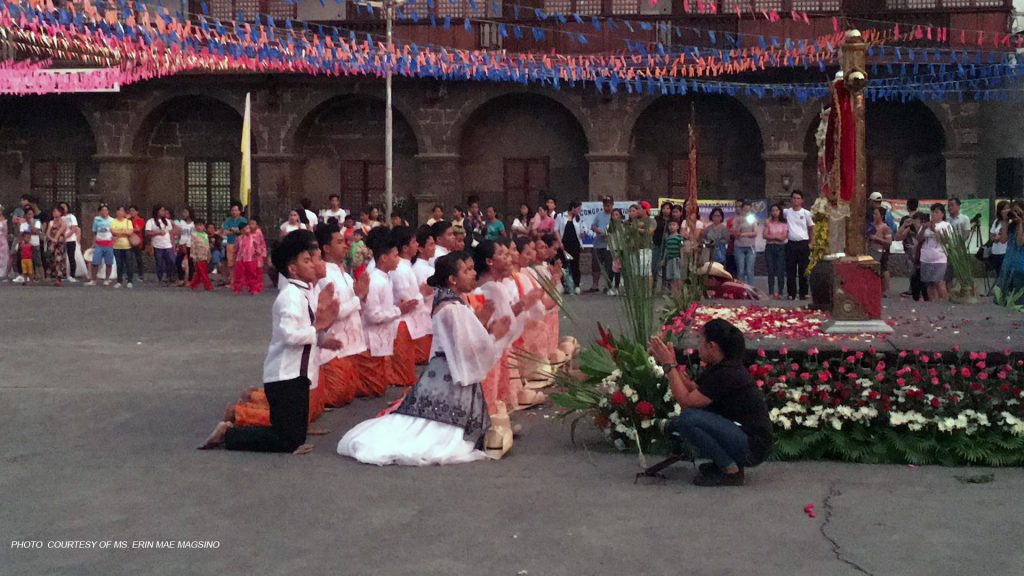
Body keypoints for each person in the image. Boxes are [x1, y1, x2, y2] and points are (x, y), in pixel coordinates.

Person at [339, 252, 523, 466]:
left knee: (432, 425)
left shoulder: (451, 302)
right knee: (439, 436)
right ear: (452, 279)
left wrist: (484, 325)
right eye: (467, 270)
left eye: (472, 268)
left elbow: (466, 340)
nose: (473, 273)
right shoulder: (451, 308)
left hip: (444, 369)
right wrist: (495, 336)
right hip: (448, 374)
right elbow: (467, 349)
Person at [199, 230, 340, 453]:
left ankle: (243, 430)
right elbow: (290, 335)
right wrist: (319, 328)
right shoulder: (290, 296)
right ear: (293, 269)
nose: (313, 264)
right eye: (306, 261)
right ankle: (230, 434)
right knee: (288, 440)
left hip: (299, 373)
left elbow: (310, 329)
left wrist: (324, 338)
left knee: (296, 434)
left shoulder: (306, 293)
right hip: (285, 375)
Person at [648, 319, 772, 487]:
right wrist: (673, 364)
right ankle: (726, 463)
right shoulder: (722, 367)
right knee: (688, 418)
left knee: (688, 420)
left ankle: (731, 471)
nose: (697, 345)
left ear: (711, 346)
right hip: (742, 437)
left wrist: (668, 365)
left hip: (752, 448)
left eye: (700, 340)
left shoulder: (727, 373)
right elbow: (693, 390)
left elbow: (686, 402)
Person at [316, 222, 377, 407]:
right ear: (326, 248)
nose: (346, 245)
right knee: (338, 396)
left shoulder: (346, 276)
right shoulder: (325, 276)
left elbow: (358, 306)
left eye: (345, 241)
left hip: (353, 344)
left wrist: (363, 297)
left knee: (369, 388)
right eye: (340, 242)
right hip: (334, 346)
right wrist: (358, 297)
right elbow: (335, 312)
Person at [362, 227, 419, 394]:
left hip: (384, 334)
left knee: (381, 385)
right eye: (395, 256)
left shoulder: (385, 277)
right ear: (383, 258)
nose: (398, 260)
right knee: (375, 388)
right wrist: (398, 310)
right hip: (372, 338)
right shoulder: (375, 281)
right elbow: (372, 315)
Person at [389, 226, 429, 387]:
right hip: (401, 322)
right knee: (404, 377)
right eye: (413, 242)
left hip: (409, 322)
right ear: (405, 248)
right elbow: (408, 302)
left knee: (408, 375)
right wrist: (422, 294)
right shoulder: (400, 269)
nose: (417, 244)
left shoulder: (406, 267)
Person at [411, 225, 437, 364]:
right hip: (425, 321)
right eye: (431, 244)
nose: (434, 248)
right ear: (420, 248)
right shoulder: (427, 271)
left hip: (420, 322)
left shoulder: (416, 268)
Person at [783, 190, 814, 300]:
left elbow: (811, 228)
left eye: (798, 198)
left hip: (803, 243)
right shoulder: (786, 212)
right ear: (791, 200)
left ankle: (803, 292)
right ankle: (791, 293)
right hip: (791, 244)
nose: (796, 200)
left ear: (802, 200)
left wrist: (811, 243)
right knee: (790, 269)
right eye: (794, 198)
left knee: (803, 269)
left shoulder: (806, 213)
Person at [918, 202, 951, 301]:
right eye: (932, 212)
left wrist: (934, 230)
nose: (933, 214)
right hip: (926, 257)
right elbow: (919, 239)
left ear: (942, 214)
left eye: (936, 212)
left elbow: (946, 241)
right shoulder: (926, 225)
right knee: (929, 283)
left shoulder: (946, 225)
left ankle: (944, 301)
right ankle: (932, 302)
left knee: (939, 281)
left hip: (939, 258)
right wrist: (923, 228)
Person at [897, 199, 928, 301]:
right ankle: (915, 290)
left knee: (919, 272)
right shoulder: (908, 224)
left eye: (918, 221)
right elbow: (898, 237)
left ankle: (921, 291)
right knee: (913, 272)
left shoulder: (924, 227)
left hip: (921, 253)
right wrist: (905, 225)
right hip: (911, 252)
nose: (916, 222)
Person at [232, 220, 267, 295]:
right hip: (240, 259)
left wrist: (259, 254)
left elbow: (257, 247)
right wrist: (234, 258)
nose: (247, 230)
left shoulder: (253, 237)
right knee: (238, 274)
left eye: (248, 228)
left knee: (252, 274)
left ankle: (253, 288)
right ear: (241, 231)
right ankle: (237, 289)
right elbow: (235, 249)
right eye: (245, 229)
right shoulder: (239, 238)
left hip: (251, 258)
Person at [589, 196, 614, 294]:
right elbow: (592, 226)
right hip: (598, 244)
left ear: (612, 205)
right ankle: (595, 285)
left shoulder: (614, 216)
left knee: (609, 266)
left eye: (609, 205)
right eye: (605, 205)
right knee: (596, 266)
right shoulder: (599, 215)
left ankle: (608, 285)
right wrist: (596, 229)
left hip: (609, 245)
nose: (607, 207)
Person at [762, 203, 788, 298]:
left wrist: (773, 237)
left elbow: (783, 238)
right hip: (770, 248)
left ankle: (780, 291)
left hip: (780, 248)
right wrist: (776, 237)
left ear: (780, 211)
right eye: (773, 210)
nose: (775, 212)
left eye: (776, 210)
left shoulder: (784, 224)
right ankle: (771, 291)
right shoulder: (768, 223)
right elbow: (765, 235)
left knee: (780, 270)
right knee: (770, 270)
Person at [866, 206, 893, 296]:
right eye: (874, 214)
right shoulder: (870, 226)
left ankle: (885, 290)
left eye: (876, 214)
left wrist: (876, 239)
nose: (874, 216)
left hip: (880, 251)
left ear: (881, 216)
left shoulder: (885, 227)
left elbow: (889, 241)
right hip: (870, 250)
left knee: (882, 270)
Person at [86, 203, 115, 286]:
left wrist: (113, 242)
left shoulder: (112, 220)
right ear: (100, 211)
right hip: (99, 244)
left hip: (109, 244)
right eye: (102, 210)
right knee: (95, 262)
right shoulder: (96, 220)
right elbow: (95, 232)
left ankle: (107, 279)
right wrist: (93, 243)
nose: (104, 212)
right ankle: (93, 279)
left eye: (106, 210)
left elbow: (114, 233)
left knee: (109, 263)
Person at [147, 206, 175, 285]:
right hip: (157, 245)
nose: (163, 212)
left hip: (168, 245)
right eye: (161, 210)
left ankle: (169, 276)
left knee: (171, 260)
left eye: (164, 210)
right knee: (159, 263)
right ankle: (161, 278)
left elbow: (171, 233)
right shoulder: (151, 221)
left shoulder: (167, 221)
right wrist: (157, 232)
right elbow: (147, 233)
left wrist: (173, 244)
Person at [559, 201, 583, 295]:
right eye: (578, 208)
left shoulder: (578, 218)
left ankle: (576, 285)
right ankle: (564, 285)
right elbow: (556, 230)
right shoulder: (561, 216)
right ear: (573, 208)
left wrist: (582, 233)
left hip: (575, 244)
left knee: (575, 264)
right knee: (563, 265)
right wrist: (560, 242)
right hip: (564, 244)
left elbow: (582, 229)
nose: (579, 210)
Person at [732, 201, 758, 286]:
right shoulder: (736, 219)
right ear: (742, 209)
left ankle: (750, 288)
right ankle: (741, 288)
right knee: (740, 270)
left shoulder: (752, 219)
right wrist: (741, 223)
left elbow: (755, 233)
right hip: (739, 247)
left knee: (749, 270)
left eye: (748, 210)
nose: (746, 212)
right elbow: (735, 234)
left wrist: (742, 234)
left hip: (750, 247)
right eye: (745, 210)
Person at [222, 202, 248, 286]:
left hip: (241, 245)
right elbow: (225, 231)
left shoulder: (243, 220)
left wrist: (232, 230)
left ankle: (241, 281)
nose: (234, 212)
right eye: (232, 210)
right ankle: (232, 281)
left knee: (240, 263)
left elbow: (244, 231)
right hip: (230, 243)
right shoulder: (228, 220)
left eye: (236, 210)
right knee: (231, 263)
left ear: (240, 211)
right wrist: (236, 231)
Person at [111, 206, 135, 288]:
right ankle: (119, 281)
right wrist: (124, 231)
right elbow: (113, 231)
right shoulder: (114, 221)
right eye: (118, 211)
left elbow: (130, 232)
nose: (120, 213)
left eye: (121, 211)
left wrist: (119, 232)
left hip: (127, 246)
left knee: (129, 264)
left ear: (124, 213)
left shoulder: (128, 221)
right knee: (119, 265)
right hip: (117, 246)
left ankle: (130, 281)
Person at [652, 202, 674, 290]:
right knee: (655, 265)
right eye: (664, 208)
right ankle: (653, 285)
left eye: (668, 208)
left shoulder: (672, 221)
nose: (665, 210)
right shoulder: (657, 219)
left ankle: (665, 286)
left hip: (668, 246)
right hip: (657, 244)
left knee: (666, 266)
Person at [44, 206, 67, 287]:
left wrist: (54, 242)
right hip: (51, 241)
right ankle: (51, 274)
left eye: (56, 211)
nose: (54, 213)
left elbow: (59, 233)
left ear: (60, 213)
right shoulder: (51, 222)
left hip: (59, 244)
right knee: (52, 259)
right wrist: (51, 240)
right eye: (53, 211)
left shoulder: (63, 223)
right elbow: (47, 233)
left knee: (58, 259)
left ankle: (58, 277)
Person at [989, 200, 1011, 285]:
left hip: (1005, 252)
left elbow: (1006, 238)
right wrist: (994, 238)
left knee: (1005, 276)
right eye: (1004, 209)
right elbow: (991, 235)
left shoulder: (1010, 221)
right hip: (996, 252)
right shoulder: (996, 221)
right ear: (1000, 211)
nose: (1006, 211)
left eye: (1008, 208)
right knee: (998, 274)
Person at [58, 202, 80, 282]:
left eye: (64, 207)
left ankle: (72, 275)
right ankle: (62, 274)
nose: (63, 209)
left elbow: (74, 229)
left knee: (71, 257)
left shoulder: (72, 217)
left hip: (71, 239)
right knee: (62, 258)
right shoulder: (60, 218)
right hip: (61, 240)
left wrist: (65, 237)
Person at [190, 221, 214, 291]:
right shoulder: (194, 235)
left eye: (200, 225)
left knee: (200, 272)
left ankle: (193, 284)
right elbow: (193, 246)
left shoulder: (205, 235)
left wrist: (209, 255)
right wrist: (193, 256)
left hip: (205, 255)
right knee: (203, 272)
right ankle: (208, 286)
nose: (199, 227)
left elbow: (207, 246)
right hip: (198, 256)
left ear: (204, 226)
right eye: (197, 225)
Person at [174, 207, 196, 287]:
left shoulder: (194, 223)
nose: (184, 214)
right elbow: (178, 233)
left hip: (191, 244)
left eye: (185, 212)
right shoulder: (181, 222)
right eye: (183, 212)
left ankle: (190, 280)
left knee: (191, 263)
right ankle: (181, 279)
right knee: (178, 261)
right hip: (182, 244)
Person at [18, 208, 42, 281]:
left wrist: (31, 224)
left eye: (31, 214)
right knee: (27, 260)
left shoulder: (37, 222)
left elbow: (36, 232)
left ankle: (39, 275)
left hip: (35, 243)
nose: (30, 216)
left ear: (33, 214)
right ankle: (28, 276)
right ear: (26, 215)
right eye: (28, 214)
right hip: (26, 246)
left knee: (37, 260)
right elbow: (21, 234)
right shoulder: (23, 224)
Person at [663, 220, 683, 293]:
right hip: (669, 259)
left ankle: (679, 292)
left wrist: (682, 259)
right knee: (670, 276)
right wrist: (663, 259)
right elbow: (666, 249)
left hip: (676, 258)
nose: (671, 227)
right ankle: (673, 291)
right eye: (670, 225)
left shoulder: (679, 237)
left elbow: (681, 248)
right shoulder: (668, 238)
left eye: (674, 225)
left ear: (678, 227)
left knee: (677, 276)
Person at [128, 206, 146, 282]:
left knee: (139, 259)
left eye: (133, 211)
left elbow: (138, 229)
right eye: (130, 211)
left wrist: (129, 230)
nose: (131, 212)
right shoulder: (128, 220)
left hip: (137, 242)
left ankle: (141, 275)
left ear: (137, 212)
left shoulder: (140, 220)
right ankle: (129, 275)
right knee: (129, 259)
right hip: (129, 242)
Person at [0, 210, 8, 280]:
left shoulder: (4, 221)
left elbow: (6, 232)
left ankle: (3, 272)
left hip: (2, 239)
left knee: (3, 256)